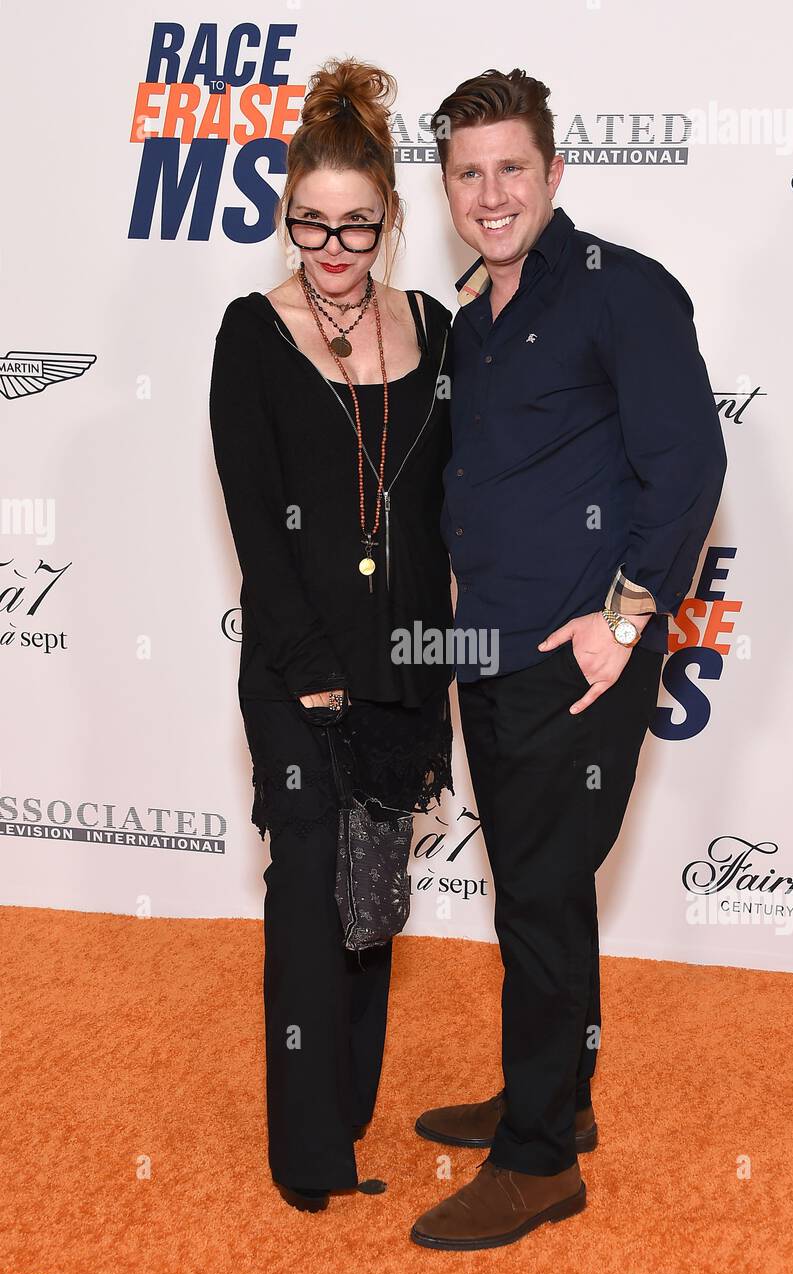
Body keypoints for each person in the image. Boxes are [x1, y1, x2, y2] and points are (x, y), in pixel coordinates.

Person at [410, 68, 727, 1251]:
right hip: (487, 654)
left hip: (575, 663)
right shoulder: (472, 320)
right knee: (535, 899)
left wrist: (624, 614)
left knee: (541, 896)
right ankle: (555, 1095)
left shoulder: (623, 294)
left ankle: (537, 1162)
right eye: (468, 173)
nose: (492, 194)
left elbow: (687, 464)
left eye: (512, 169)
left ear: (554, 172)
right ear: (447, 187)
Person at [209, 57, 454, 1212]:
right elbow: (258, 520)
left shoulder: (440, 336)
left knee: (370, 902)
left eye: (358, 226)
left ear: (392, 218)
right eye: (312, 224)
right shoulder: (250, 334)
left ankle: (352, 1108)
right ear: (286, 214)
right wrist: (311, 675)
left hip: (402, 671)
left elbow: (458, 510)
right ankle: (308, 1158)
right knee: (306, 890)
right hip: (298, 676)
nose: (334, 248)